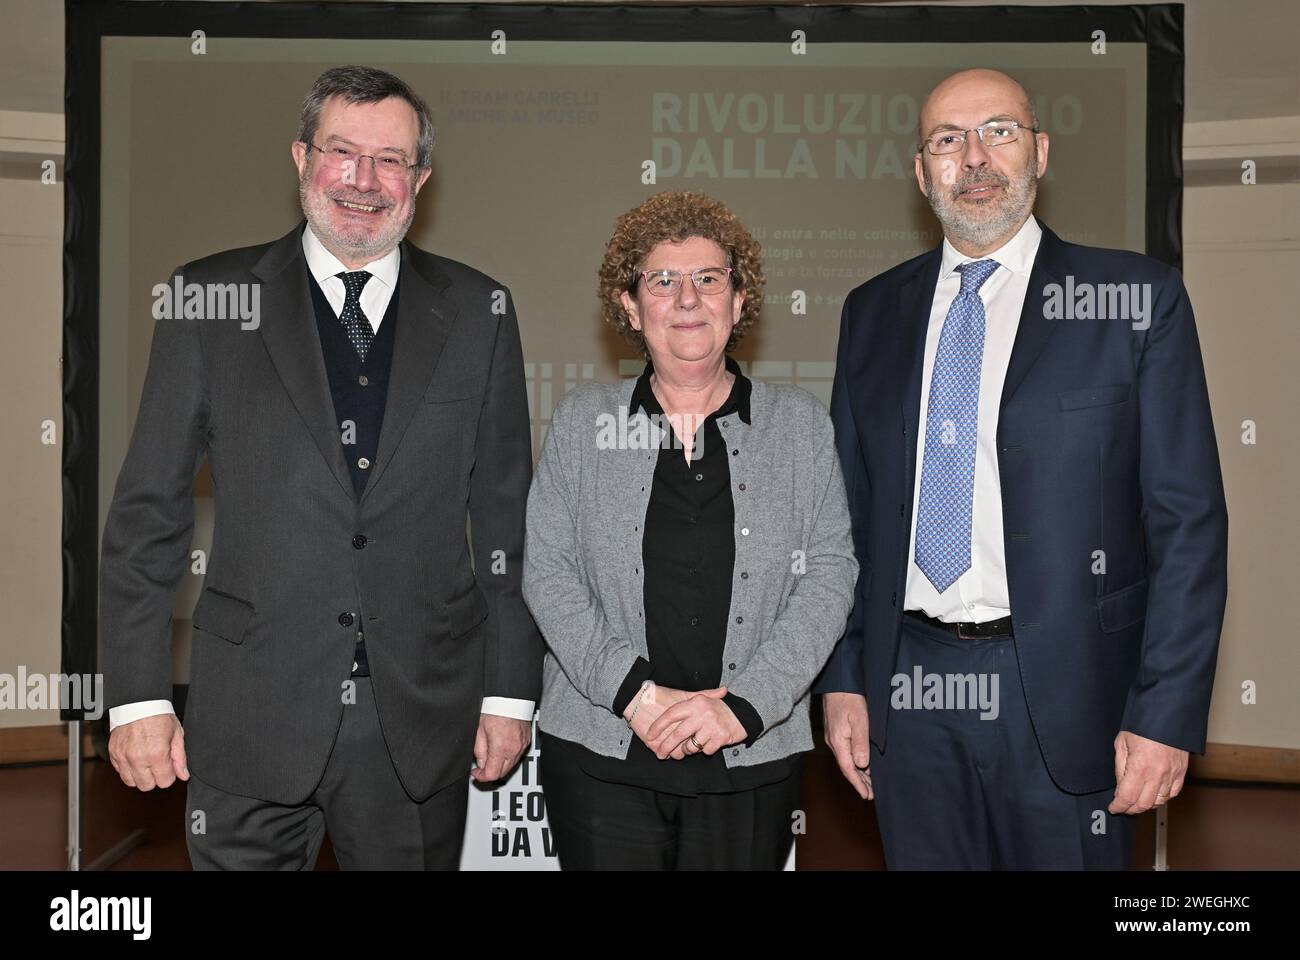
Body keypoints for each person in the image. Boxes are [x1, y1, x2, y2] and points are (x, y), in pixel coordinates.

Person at [100, 65, 543, 869]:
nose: (365, 181)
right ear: (301, 158)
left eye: (391, 160)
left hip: (417, 719)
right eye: (343, 151)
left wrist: (510, 694)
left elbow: (508, 521)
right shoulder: (208, 299)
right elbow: (147, 515)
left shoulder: (482, 313)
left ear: (421, 179)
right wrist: (136, 696)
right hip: (249, 714)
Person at [815, 68, 1228, 869]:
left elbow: (1188, 525)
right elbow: (846, 517)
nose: (974, 158)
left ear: (1039, 152)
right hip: (909, 695)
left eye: (998, 132)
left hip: (1071, 701)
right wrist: (842, 678)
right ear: (920, 170)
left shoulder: (1133, 301)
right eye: (947, 140)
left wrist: (1167, 713)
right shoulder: (872, 312)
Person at [523, 191, 857, 870]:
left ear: (739, 302)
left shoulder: (799, 428)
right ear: (630, 306)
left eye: (709, 279)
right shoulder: (584, 424)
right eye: (662, 281)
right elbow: (547, 573)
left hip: (749, 755)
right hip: (601, 751)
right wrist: (636, 698)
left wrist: (743, 706)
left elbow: (828, 577)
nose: (686, 299)